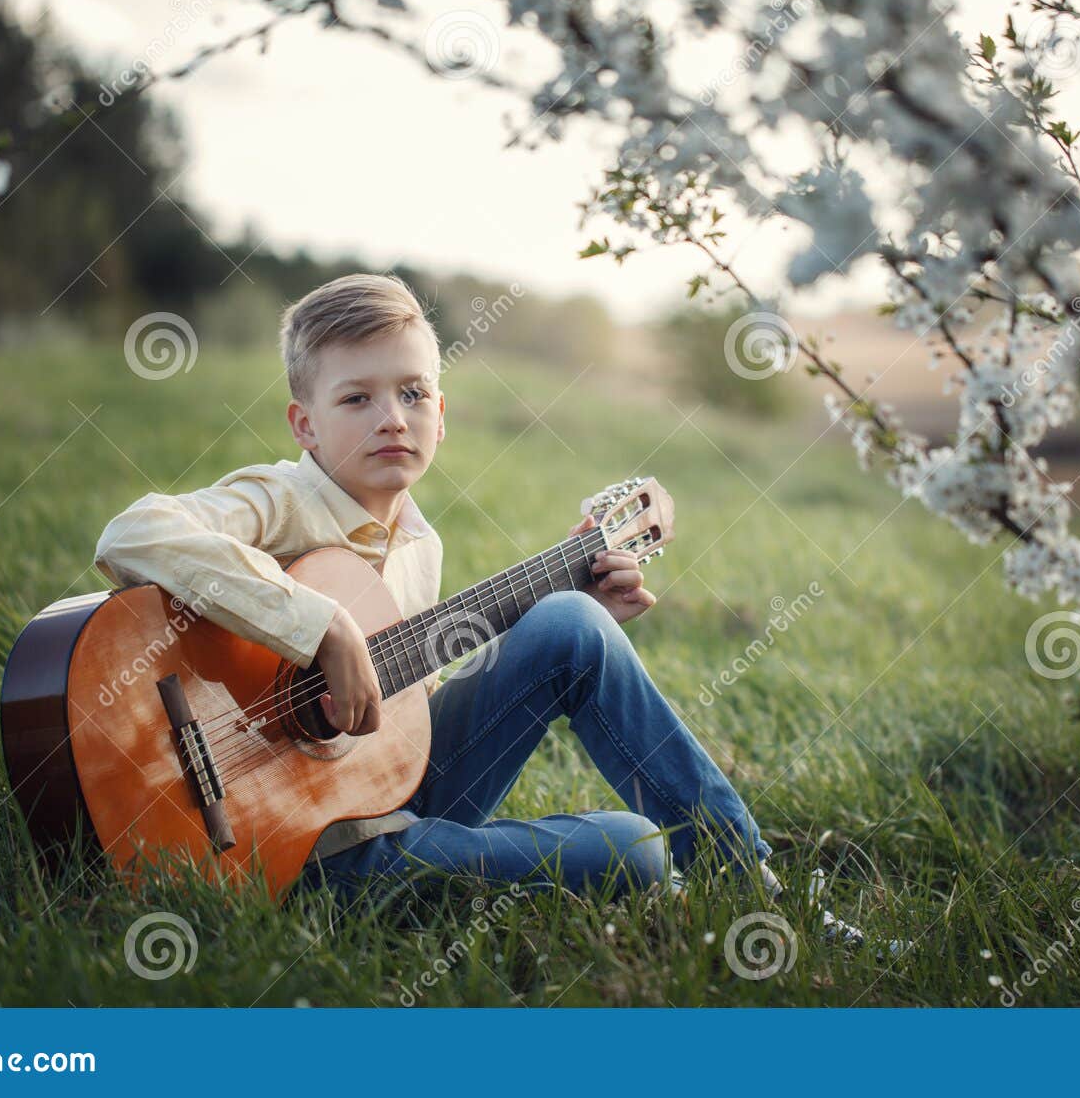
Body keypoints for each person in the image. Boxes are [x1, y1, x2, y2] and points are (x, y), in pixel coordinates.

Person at [93, 273, 870, 945]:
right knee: (634, 852)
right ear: (305, 424)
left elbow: (400, 730)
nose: (390, 416)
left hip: (389, 803)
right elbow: (134, 532)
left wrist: (570, 610)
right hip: (300, 858)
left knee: (574, 639)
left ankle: (757, 886)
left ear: (442, 411)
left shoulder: (418, 544)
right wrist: (318, 624)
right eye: (356, 397)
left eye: (411, 393)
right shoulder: (280, 500)